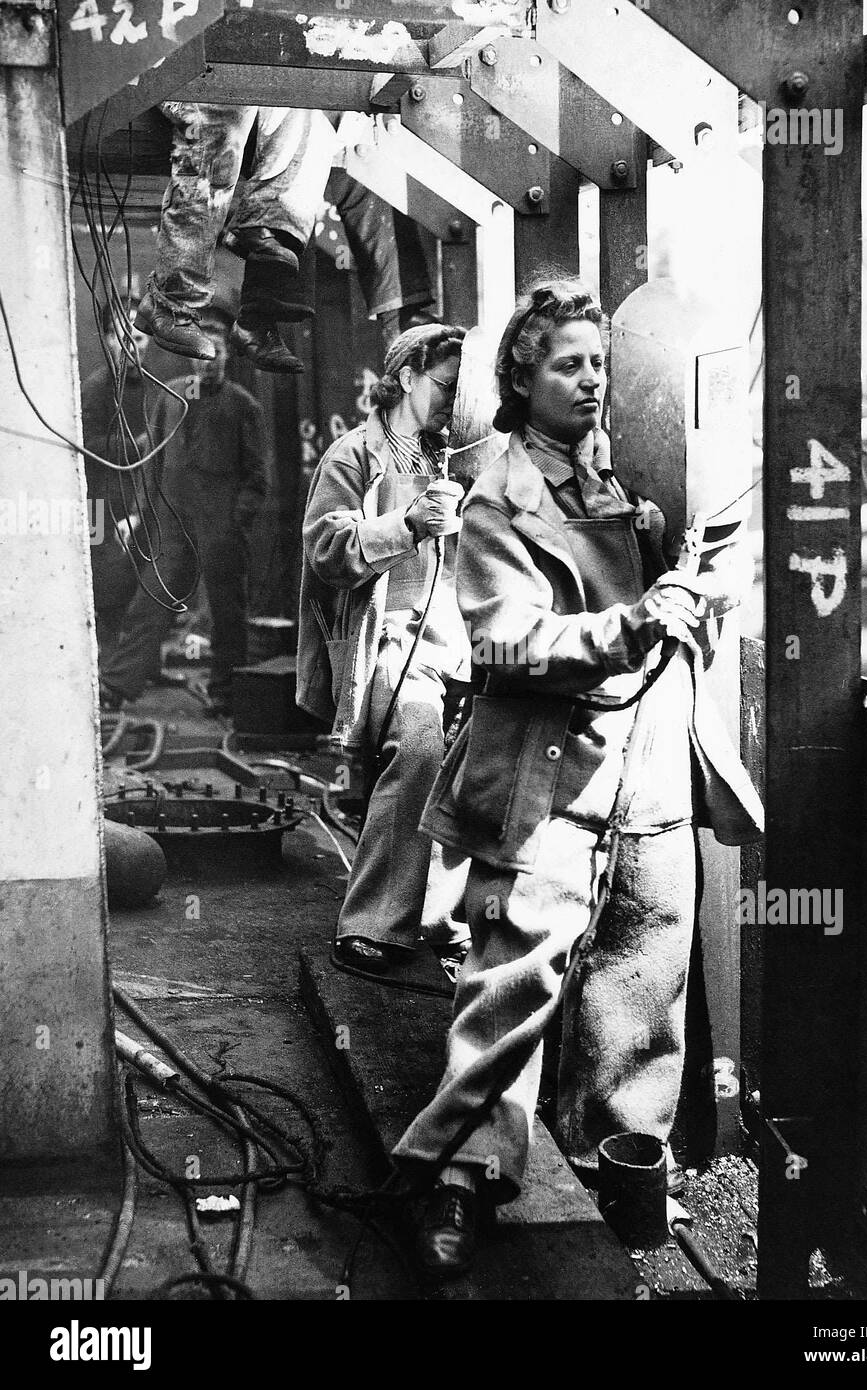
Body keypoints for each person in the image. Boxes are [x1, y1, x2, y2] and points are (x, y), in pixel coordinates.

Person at [389, 279, 763, 1276]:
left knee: (645, 968)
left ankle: (616, 1166)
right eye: (566, 363)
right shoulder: (495, 500)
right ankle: (458, 1175)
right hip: (543, 775)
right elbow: (506, 640)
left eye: (598, 361)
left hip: (646, 765)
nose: (590, 380)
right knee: (512, 977)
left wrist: (698, 570)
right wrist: (630, 621)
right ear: (521, 377)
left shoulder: (616, 487)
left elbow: (700, 591)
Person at [297, 324, 473, 974]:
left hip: (461, 641)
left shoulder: (459, 452)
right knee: (421, 743)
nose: (453, 407)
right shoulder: (356, 455)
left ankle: (447, 918)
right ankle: (373, 921)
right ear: (406, 376)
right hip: (386, 643)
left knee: (487, 748)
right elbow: (325, 549)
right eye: (445, 388)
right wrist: (404, 524)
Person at [138, 105, 434, 370]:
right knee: (223, 125)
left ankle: (258, 318)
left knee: (312, 126)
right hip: (183, 67)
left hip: (257, 80)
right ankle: (169, 301)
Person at [99, 310, 269, 715]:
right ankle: (117, 685)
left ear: (228, 355)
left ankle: (225, 691)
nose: (207, 361)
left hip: (220, 526)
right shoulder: (170, 396)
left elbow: (256, 476)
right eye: (201, 353)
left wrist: (236, 521)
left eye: (217, 352)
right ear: (190, 356)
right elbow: (152, 460)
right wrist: (141, 512)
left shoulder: (242, 406)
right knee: (150, 602)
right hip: (172, 521)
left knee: (227, 611)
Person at [80, 300, 157, 660]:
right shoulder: (95, 388)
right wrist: (136, 446)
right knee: (108, 584)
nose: (132, 346)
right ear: (108, 339)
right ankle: (107, 667)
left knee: (144, 583)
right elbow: (84, 444)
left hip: (144, 499)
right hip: (101, 501)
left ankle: (140, 665)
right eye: (122, 337)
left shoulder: (155, 388)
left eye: (140, 339)